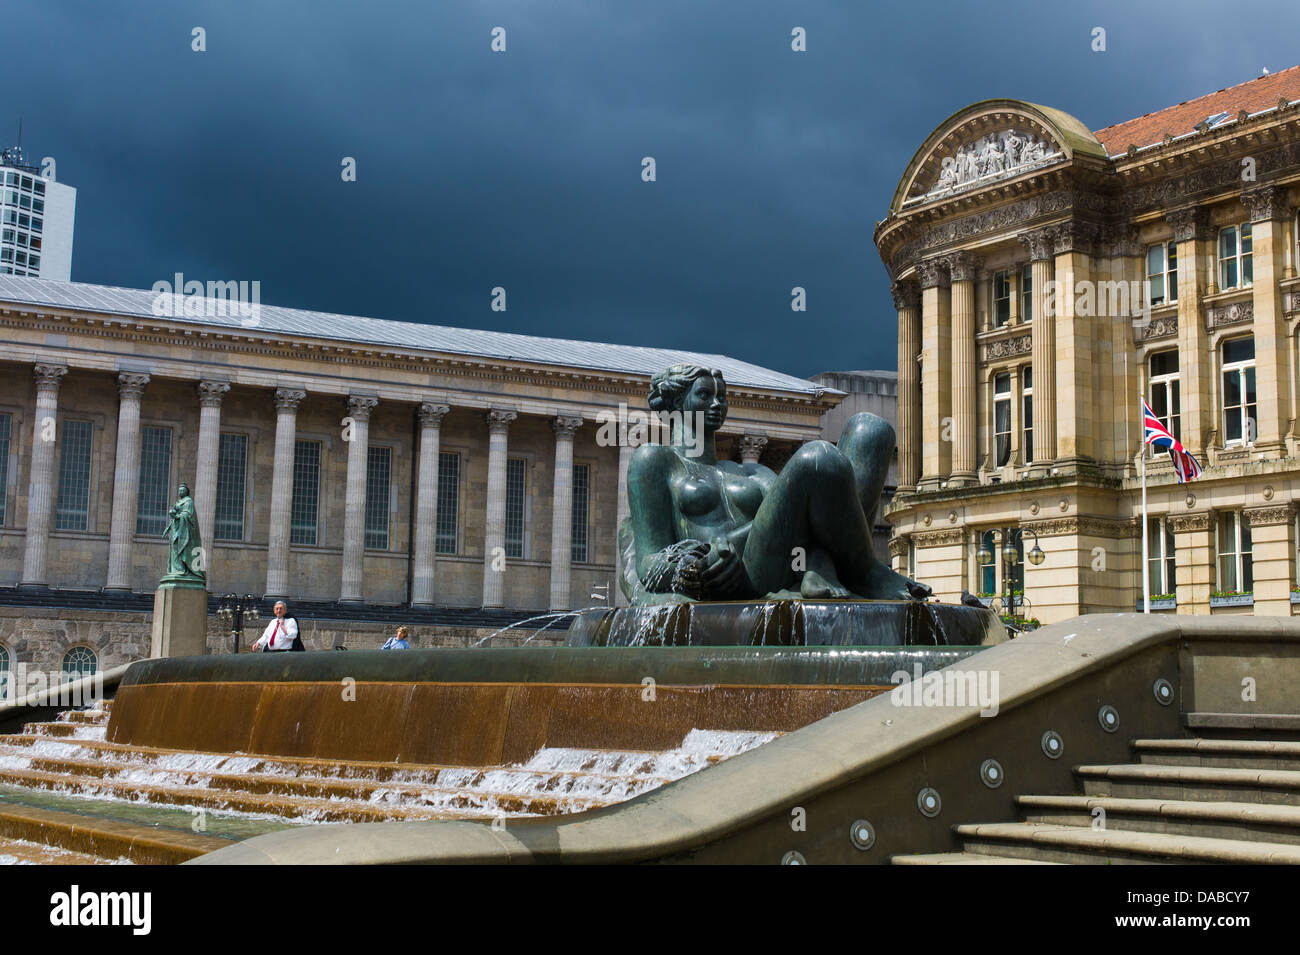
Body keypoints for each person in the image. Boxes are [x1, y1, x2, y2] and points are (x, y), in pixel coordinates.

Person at [626, 364, 931, 604]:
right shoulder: (655, 460)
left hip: (777, 559)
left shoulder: (749, 471)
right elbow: (648, 563)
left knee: (871, 431)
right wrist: (693, 568)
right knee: (817, 457)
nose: (718, 404)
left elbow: (809, 517)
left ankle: (823, 564)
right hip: (736, 574)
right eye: (705, 395)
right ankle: (863, 571)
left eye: (722, 396)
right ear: (677, 402)